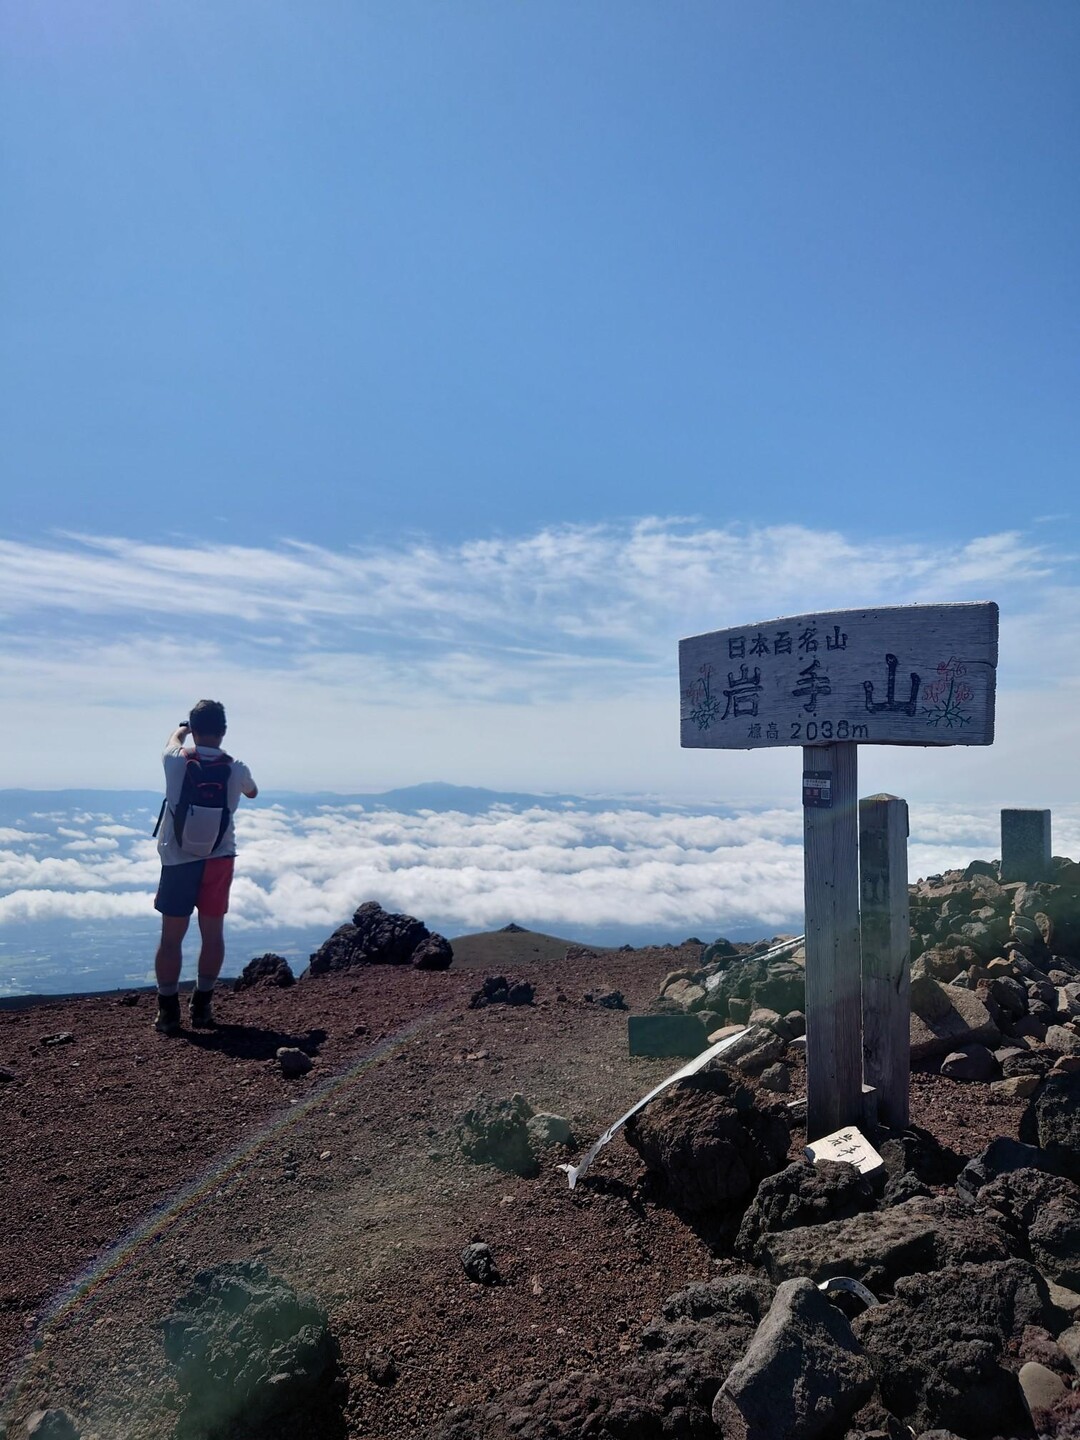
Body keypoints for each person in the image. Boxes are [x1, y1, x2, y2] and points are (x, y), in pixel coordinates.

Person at [152, 699, 258, 1035]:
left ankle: (168, 1012)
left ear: (194, 730)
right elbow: (252, 793)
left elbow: (172, 741)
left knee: (171, 939)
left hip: (178, 859)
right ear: (224, 732)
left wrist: (181, 729)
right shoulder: (236, 767)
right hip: (220, 858)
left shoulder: (176, 760)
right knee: (212, 935)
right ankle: (203, 1005)